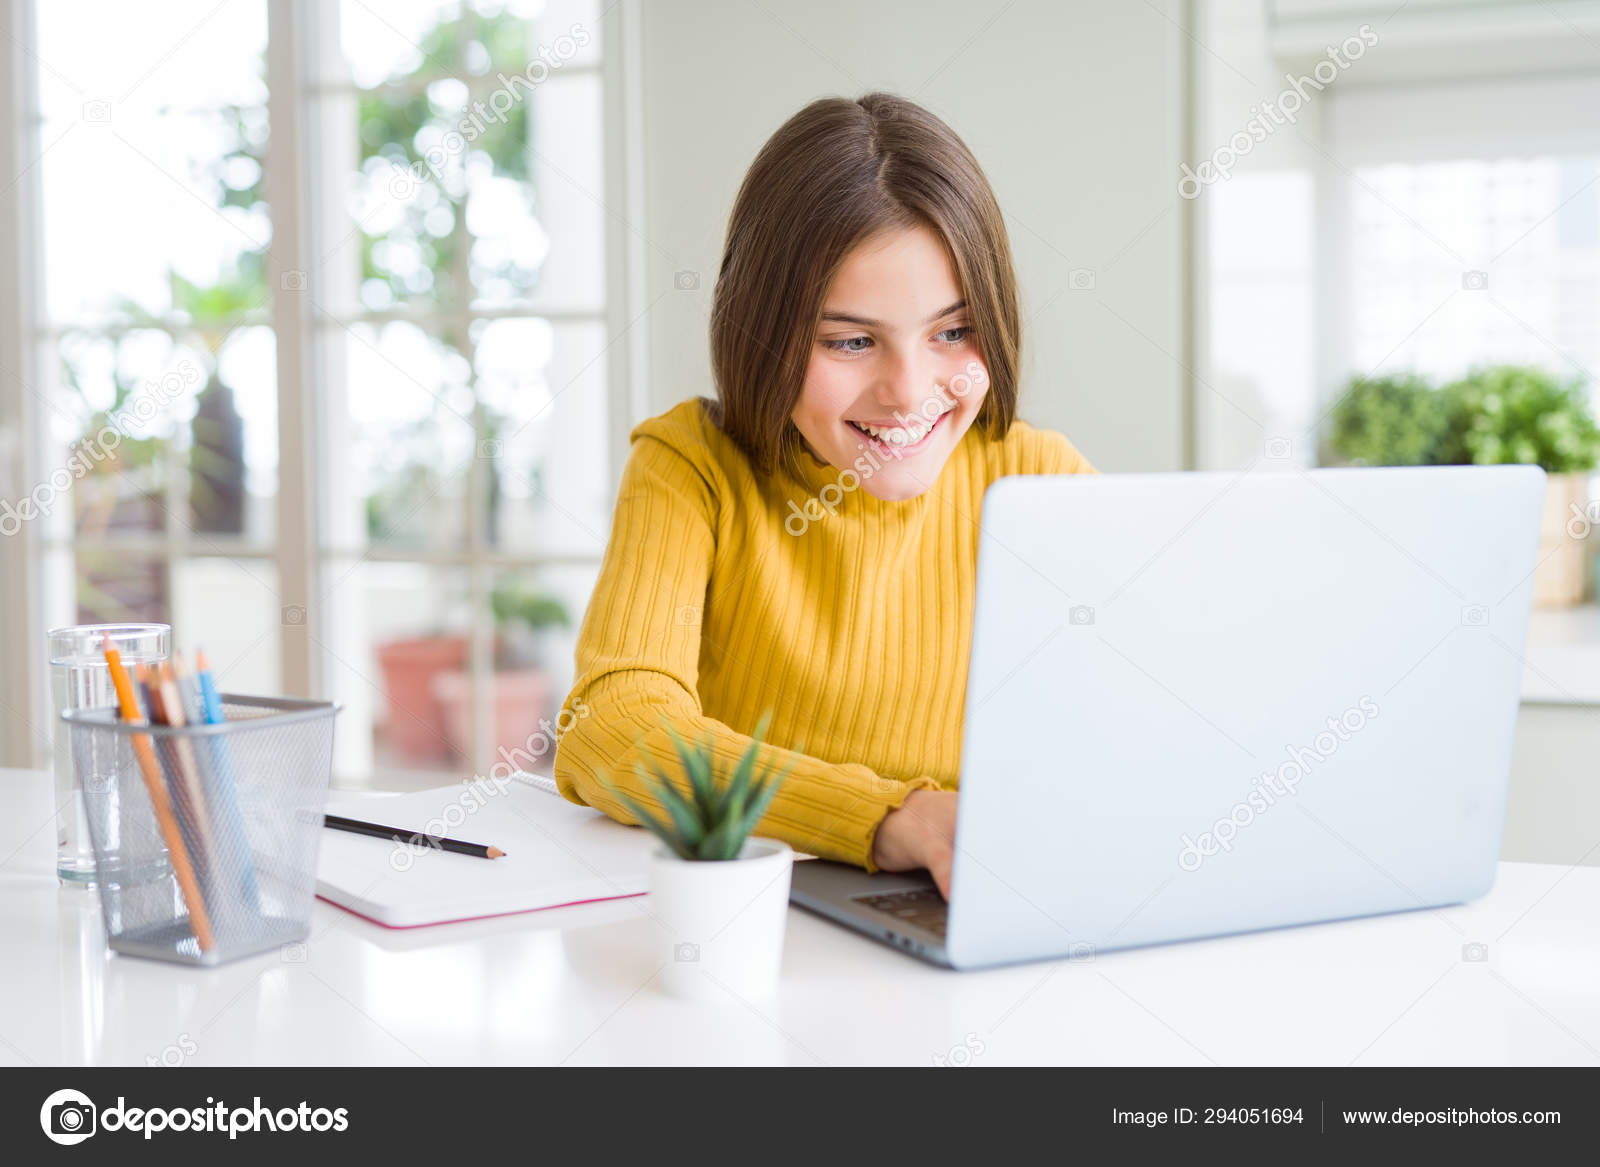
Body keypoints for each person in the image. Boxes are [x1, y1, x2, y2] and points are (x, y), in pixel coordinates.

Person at [552, 92, 1096, 898]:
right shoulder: (691, 468)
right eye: (850, 340)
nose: (910, 392)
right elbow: (611, 728)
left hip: (977, 910)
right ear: (762, 330)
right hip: (753, 924)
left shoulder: (1040, 482)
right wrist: (885, 816)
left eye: (952, 331)